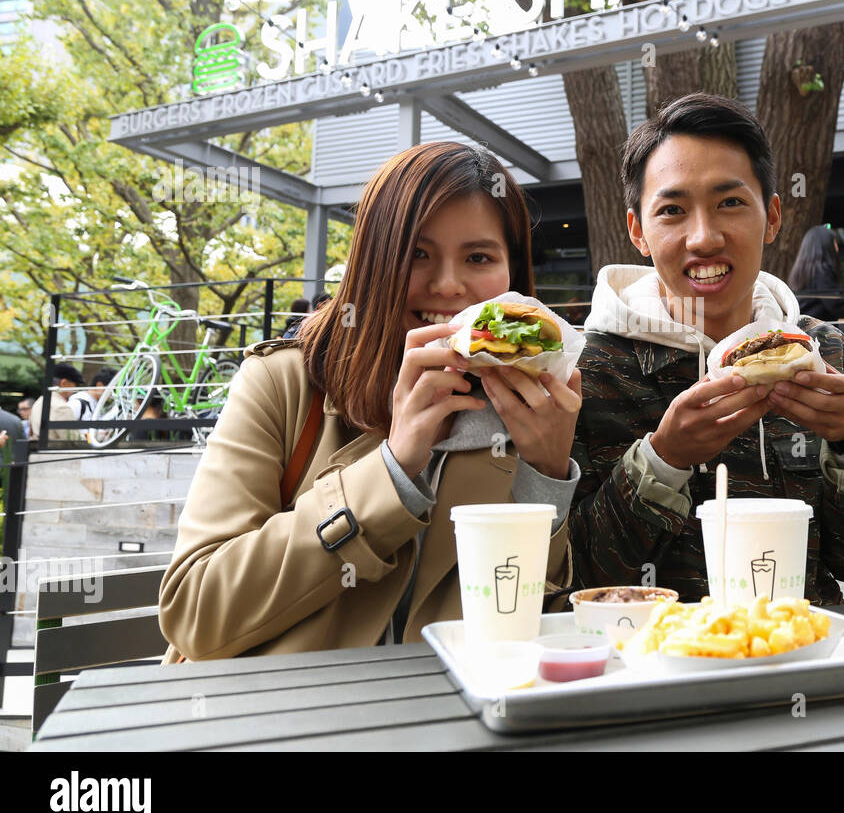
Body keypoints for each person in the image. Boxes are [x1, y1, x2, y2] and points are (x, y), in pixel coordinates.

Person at [159, 141, 583, 661]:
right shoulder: (284, 382)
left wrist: (546, 473)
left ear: (511, 276)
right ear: (371, 261)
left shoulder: (536, 406)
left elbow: (531, 627)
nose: (449, 286)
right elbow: (193, 613)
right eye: (416, 254)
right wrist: (392, 471)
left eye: (479, 257)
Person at [568, 92, 844, 605]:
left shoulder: (826, 352)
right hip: (657, 668)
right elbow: (581, 575)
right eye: (672, 210)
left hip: (803, 655)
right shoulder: (585, 367)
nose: (703, 238)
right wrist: (664, 460)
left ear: (772, 216)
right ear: (638, 231)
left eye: (730, 202)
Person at [28, 363, 85, 444]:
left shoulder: (39, 401)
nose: (75, 389)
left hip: (41, 453)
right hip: (59, 455)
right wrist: (93, 438)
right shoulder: (61, 407)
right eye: (75, 385)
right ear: (64, 383)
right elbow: (74, 441)